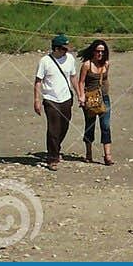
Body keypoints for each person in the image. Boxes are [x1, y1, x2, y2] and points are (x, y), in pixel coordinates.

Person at [32, 33, 78, 170]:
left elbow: (73, 77)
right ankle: (52, 158)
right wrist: (37, 100)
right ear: (56, 48)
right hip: (50, 99)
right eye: (64, 49)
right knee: (53, 128)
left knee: (65, 126)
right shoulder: (45, 61)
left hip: (66, 98)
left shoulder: (70, 59)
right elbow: (38, 81)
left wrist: (80, 94)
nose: (66, 51)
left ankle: (56, 148)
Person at [77, 39, 114, 165]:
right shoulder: (87, 65)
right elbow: (81, 82)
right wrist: (81, 96)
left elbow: (106, 80)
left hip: (104, 98)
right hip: (90, 98)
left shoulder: (106, 64)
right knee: (90, 125)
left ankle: (107, 155)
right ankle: (89, 153)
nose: (100, 54)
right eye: (98, 51)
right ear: (93, 51)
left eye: (102, 52)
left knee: (105, 126)